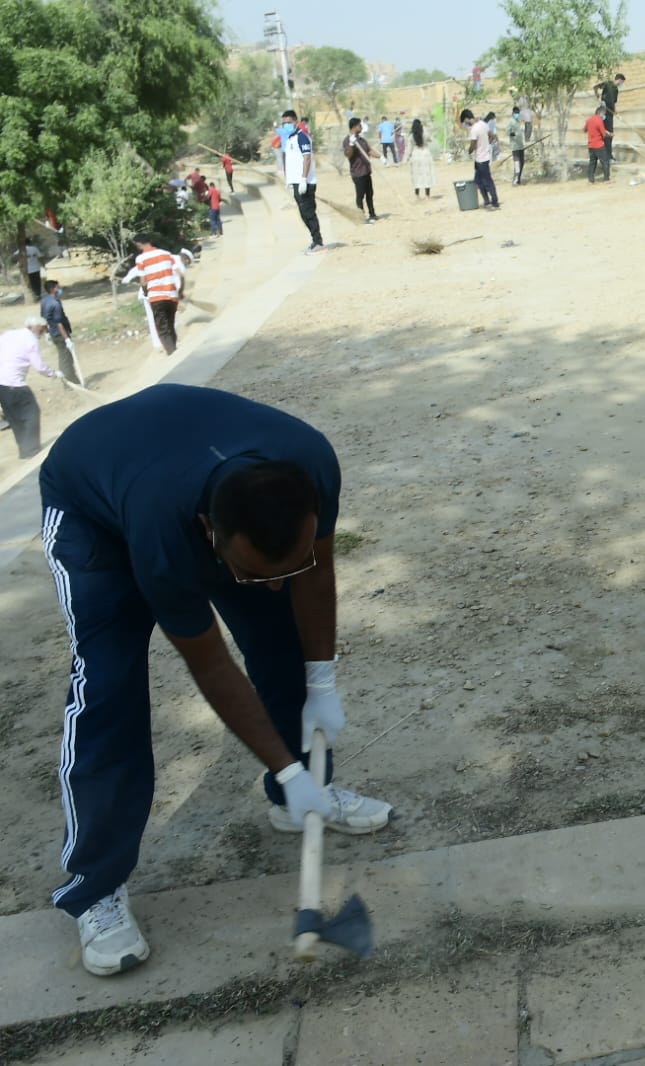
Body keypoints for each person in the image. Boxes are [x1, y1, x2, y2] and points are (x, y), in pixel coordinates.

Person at [37, 383, 393, 977]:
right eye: (256, 572)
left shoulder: (310, 463)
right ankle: (95, 888)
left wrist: (322, 679)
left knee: (283, 639)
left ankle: (296, 800)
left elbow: (314, 574)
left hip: (184, 480)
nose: (277, 582)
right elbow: (209, 663)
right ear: (209, 532)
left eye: (287, 565)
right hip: (93, 505)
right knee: (108, 687)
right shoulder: (160, 528)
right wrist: (283, 760)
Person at [0, 315, 60, 458]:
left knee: (14, 417)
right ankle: (31, 450)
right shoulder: (31, 340)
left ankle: (24, 449)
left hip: (1, 384)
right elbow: (39, 367)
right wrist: (54, 373)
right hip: (15, 384)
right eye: (44, 330)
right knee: (32, 413)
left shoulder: (9, 334)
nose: (44, 333)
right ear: (37, 327)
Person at [128, 234, 184, 355]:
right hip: (171, 294)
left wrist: (145, 292)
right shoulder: (166, 254)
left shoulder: (141, 259)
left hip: (156, 297)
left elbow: (143, 280)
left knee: (162, 327)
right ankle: (173, 348)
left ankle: (172, 353)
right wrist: (180, 291)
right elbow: (179, 273)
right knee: (170, 324)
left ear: (138, 244)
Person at [280, 109, 325, 254]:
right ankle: (314, 241)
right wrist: (289, 180)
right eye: (284, 123)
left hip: (305, 182)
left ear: (296, 122)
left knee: (309, 212)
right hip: (295, 183)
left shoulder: (302, 137)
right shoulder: (290, 139)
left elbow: (307, 158)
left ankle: (318, 242)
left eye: (289, 122)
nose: (286, 125)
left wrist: (304, 179)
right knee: (303, 214)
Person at [39, 279, 80, 385]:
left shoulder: (45, 301)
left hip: (53, 334)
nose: (60, 289)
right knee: (66, 360)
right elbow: (59, 323)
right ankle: (70, 384)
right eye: (58, 287)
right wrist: (67, 339)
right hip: (60, 334)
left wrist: (47, 333)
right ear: (53, 289)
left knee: (64, 358)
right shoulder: (55, 304)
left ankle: (72, 381)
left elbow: (43, 318)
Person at [460, 108, 500, 210]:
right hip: (483, 158)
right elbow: (492, 136)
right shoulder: (483, 124)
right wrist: (487, 144)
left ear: (467, 119)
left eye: (465, 122)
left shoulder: (474, 129)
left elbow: (473, 145)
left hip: (481, 160)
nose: (465, 124)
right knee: (478, 180)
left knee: (487, 181)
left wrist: (468, 151)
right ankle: (487, 201)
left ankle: (493, 202)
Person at [343, 118, 378, 224]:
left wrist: (380, 157)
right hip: (358, 173)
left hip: (366, 171)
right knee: (360, 195)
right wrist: (352, 145)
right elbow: (348, 155)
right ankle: (361, 216)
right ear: (354, 127)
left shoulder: (361, 140)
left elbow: (369, 150)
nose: (361, 127)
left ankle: (372, 214)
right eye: (359, 125)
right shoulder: (348, 140)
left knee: (369, 193)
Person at [600, 73, 624, 165]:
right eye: (622, 82)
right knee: (607, 134)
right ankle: (607, 156)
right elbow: (596, 87)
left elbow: (613, 103)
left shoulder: (615, 90)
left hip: (610, 114)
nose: (621, 84)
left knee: (609, 135)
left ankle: (607, 155)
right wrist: (599, 99)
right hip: (604, 113)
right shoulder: (608, 84)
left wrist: (616, 113)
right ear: (619, 80)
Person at [584, 105, 612, 184]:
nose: (604, 116)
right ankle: (606, 179)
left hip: (591, 145)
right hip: (599, 144)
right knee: (605, 161)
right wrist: (609, 134)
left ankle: (591, 180)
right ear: (601, 113)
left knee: (592, 163)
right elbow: (603, 134)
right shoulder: (599, 121)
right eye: (604, 114)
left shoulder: (589, 119)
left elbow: (584, 130)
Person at [409, 118, 435, 198]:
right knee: (426, 174)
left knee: (417, 175)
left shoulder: (411, 135)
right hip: (425, 153)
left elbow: (409, 148)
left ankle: (417, 194)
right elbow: (430, 139)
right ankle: (427, 195)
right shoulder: (425, 133)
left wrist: (408, 158)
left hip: (416, 154)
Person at [509, 106, 527, 185]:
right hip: (515, 146)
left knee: (522, 163)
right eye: (516, 113)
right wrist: (515, 134)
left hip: (520, 146)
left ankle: (518, 179)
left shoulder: (518, 122)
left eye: (518, 113)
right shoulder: (511, 122)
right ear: (513, 113)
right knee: (517, 163)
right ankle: (515, 180)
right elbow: (508, 132)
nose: (517, 114)